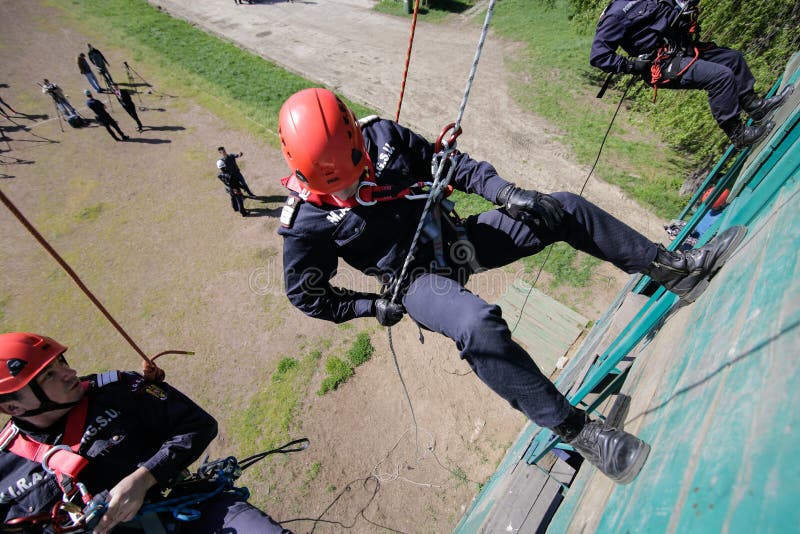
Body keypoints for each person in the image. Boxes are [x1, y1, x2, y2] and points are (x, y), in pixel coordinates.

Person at [275, 88, 748, 484]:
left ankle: (675, 270)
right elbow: (306, 294)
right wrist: (369, 307)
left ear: (356, 133)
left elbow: (449, 165)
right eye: (337, 187)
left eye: (356, 173)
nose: (349, 188)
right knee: (477, 325)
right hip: (416, 281)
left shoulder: (382, 137)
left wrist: (505, 193)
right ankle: (581, 433)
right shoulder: (305, 222)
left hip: (455, 242)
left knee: (560, 207)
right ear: (306, 174)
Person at [0, 332, 291, 533]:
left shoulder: (118, 390)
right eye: (49, 375)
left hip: (192, 514)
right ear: (14, 406)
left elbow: (197, 425)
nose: (70, 372)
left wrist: (143, 478)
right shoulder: (5, 468)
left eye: (60, 362)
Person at [589, 0, 792, 149]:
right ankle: (738, 134)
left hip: (683, 50)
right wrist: (633, 67)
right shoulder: (615, 14)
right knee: (720, 77)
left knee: (733, 59)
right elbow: (599, 56)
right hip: (662, 64)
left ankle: (755, 106)